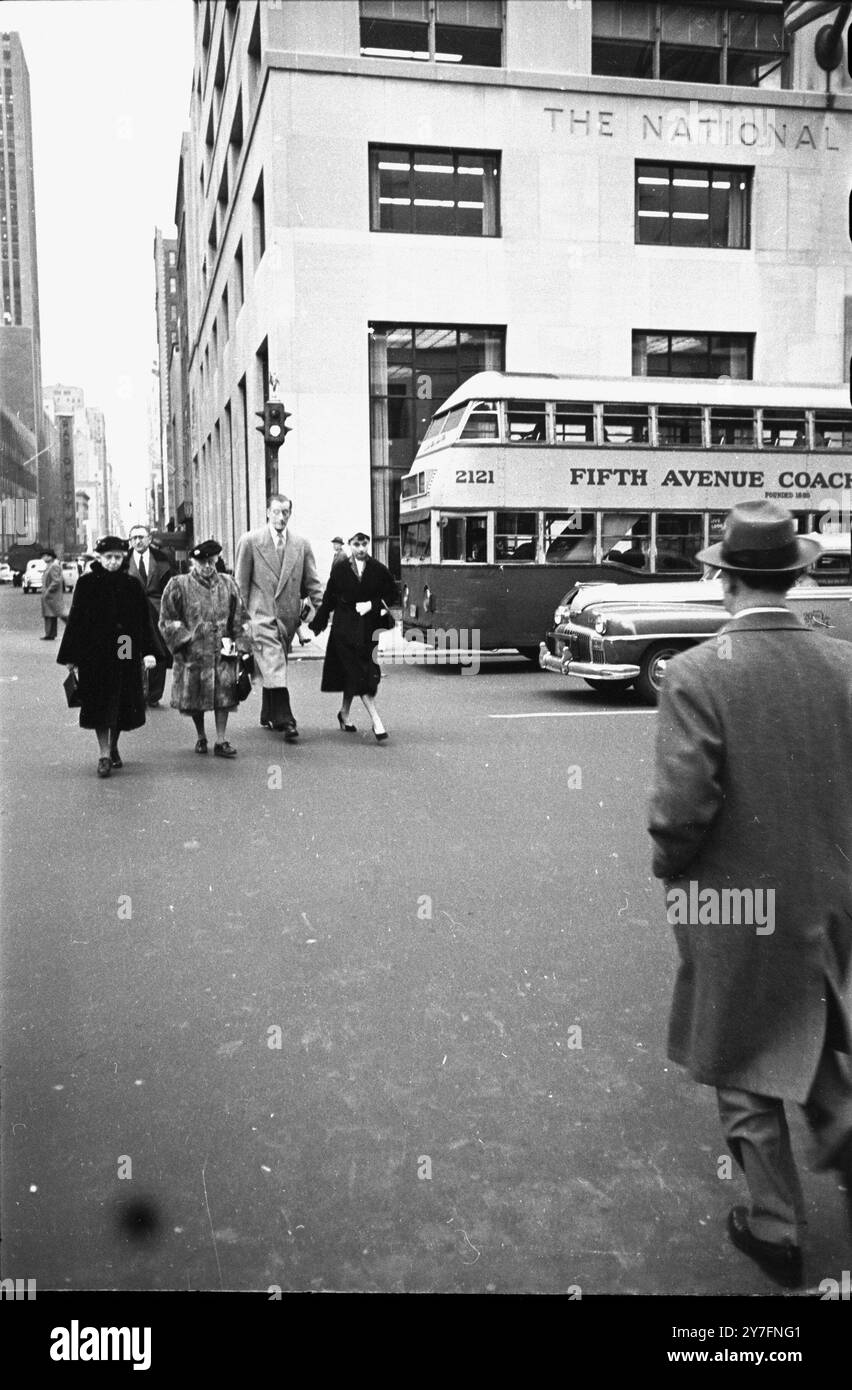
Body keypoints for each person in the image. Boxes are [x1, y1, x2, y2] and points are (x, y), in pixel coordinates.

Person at [648, 500, 852, 1289]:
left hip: (732, 900)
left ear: (724, 578)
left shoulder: (698, 673)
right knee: (816, 1034)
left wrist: (672, 872)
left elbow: (679, 813)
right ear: (794, 578)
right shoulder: (844, 663)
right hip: (834, 892)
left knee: (740, 1057)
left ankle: (776, 1227)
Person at [57, 536, 160, 778]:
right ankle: (104, 753)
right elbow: (76, 621)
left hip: (124, 646)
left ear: (123, 558)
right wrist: (71, 656)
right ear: (100, 558)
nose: (113, 561)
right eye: (108, 557)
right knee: (100, 703)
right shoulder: (87, 584)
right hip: (95, 652)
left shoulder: (132, 585)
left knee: (122, 700)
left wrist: (149, 652)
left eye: (117, 557)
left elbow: (144, 622)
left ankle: (114, 745)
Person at [234, 494, 323, 743]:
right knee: (274, 664)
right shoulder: (250, 541)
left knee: (274, 666)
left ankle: (268, 714)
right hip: (259, 616)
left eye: (285, 512)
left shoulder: (301, 544)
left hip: (288, 621)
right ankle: (286, 718)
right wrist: (239, 622)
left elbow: (313, 582)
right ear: (267, 512)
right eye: (276, 512)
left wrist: (323, 610)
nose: (281, 517)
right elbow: (240, 584)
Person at [158, 539, 252, 759]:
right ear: (193, 561)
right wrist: (186, 639)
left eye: (211, 561)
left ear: (217, 560)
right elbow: (167, 619)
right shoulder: (178, 584)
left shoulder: (228, 584)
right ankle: (201, 736)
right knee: (195, 699)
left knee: (225, 697)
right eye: (202, 562)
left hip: (222, 652)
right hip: (194, 654)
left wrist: (242, 644)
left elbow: (240, 616)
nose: (207, 566)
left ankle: (221, 740)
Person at [309, 530, 396, 742]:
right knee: (359, 673)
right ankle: (376, 721)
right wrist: (317, 623)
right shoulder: (340, 570)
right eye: (357, 545)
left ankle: (344, 713)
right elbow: (329, 599)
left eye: (364, 544)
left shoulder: (378, 569)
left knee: (356, 672)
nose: (361, 549)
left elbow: (392, 593)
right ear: (350, 545)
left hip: (367, 630)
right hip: (344, 629)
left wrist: (372, 605)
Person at [127, 523, 174, 705]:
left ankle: (154, 695)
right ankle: (133, 691)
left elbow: (172, 586)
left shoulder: (163, 559)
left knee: (158, 651)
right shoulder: (124, 561)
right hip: (130, 612)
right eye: (134, 538)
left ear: (149, 539)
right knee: (128, 650)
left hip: (158, 611)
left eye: (141, 537)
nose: (138, 541)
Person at [40, 549, 65, 640]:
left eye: (45, 556)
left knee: (60, 614)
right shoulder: (49, 566)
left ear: (50, 557)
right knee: (50, 615)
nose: (43, 558)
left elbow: (56, 581)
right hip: (49, 596)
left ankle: (75, 628)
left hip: (52, 596)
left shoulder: (54, 566)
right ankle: (50, 634)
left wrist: (48, 591)